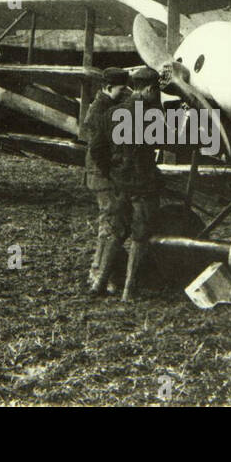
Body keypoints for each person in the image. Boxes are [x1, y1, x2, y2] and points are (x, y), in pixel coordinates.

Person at [89, 67, 162, 302]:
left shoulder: (113, 112)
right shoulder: (152, 115)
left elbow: (96, 148)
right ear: (151, 89)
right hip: (143, 184)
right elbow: (169, 143)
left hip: (119, 182)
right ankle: (129, 290)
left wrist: (111, 170)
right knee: (140, 236)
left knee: (116, 232)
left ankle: (99, 282)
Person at [82, 67, 131, 295]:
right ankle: (100, 276)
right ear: (109, 87)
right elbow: (97, 149)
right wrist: (112, 171)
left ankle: (99, 273)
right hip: (104, 177)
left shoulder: (103, 105)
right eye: (122, 89)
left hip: (101, 175)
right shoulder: (100, 110)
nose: (125, 92)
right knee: (112, 226)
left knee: (108, 225)